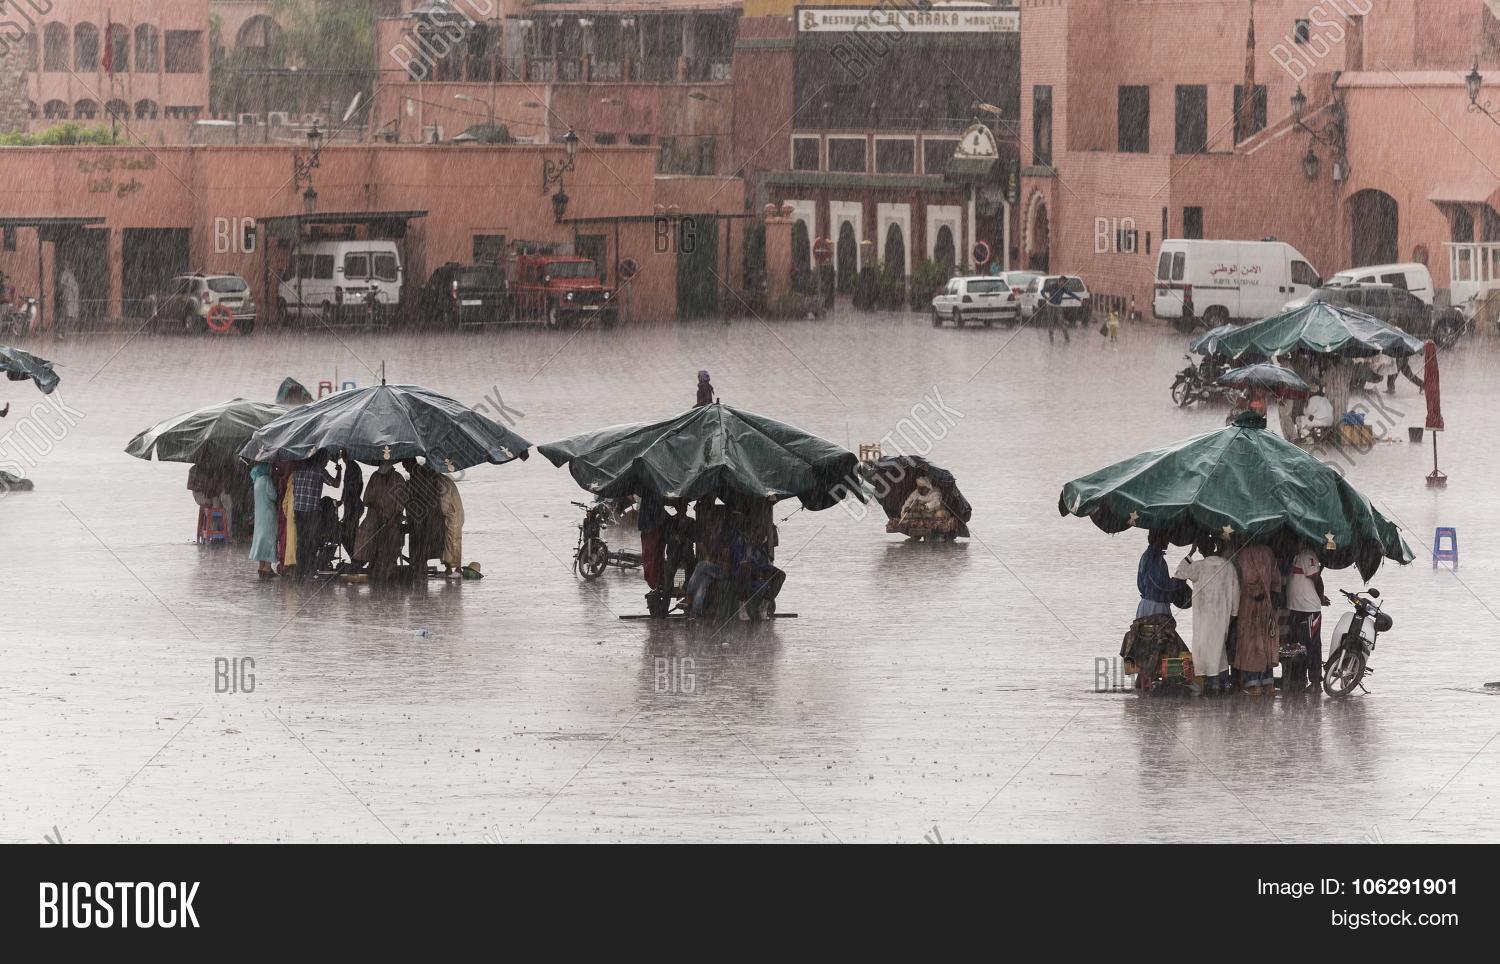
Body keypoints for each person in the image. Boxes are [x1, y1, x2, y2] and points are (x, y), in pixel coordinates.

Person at [1173, 536, 1239, 694]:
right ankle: (1222, 685)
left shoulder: (1199, 566)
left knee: (1205, 652)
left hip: (1203, 618)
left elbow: (1179, 574)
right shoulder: (1228, 566)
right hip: (1222, 618)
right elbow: (1236, 594)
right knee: (1219, 651)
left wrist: (1190, 553)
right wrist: (1233, 616)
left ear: (1201, 550)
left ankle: (1213, 686)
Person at [1233, 541, 1284, 695]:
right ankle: (1268, 683)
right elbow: (1276, 580)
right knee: (1267, 643)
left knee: (1251, 645)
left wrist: (1257, 592)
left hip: (1249, 605)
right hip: (1267, 604)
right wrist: (1271, 598)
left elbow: (1249, 578)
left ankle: (1253, 683)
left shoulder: (1244, 553)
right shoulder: (1268, 551)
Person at [1286, 541, 1330, 693]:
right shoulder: (1296, 556)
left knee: (1312, 645)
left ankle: (1315, 681)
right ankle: (1299, 679)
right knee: (1297, 646)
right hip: (1295, 608)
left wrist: (1321, 597)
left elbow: (1317, 579)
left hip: (1309, 609)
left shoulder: (1308, 555)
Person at [355, 462, 407, 584]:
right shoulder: (375, 476)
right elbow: (367, 498)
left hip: (393, 520)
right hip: (375, 518)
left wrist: (393, 517)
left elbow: (402, 501)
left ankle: (388, 566)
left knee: (390, 542)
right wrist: (376, 509)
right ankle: (369, 563)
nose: (383, 475)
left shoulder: (399, 478)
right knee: (366, 537)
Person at [291, 453, 341, 580]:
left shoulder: (298, 471)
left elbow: (294, 490)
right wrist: (339, 471)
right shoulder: (319, 471)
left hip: (298, 511)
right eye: (326, 460)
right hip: (312, 512)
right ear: (320, 459)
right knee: (312, 542)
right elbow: (336, 484)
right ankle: (309, 570)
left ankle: (299, 571)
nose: (327, 462)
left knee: (301, 541)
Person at [403, 458, 446, 579]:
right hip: (431, 517)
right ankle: (420, 567)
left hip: (420, 518)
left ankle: (419, 569)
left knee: (418, 545)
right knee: (424, 545)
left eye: (405, 465)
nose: (404, 468)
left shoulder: (415, 478)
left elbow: (412, 499)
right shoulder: (428, 475)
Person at [732, 526, 786, 620]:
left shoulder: (762, 543)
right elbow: (739, 558)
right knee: (746, 568)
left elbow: (764, 561)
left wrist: (762, 570)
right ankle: (742, 607)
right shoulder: (738, 538)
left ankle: (764, 605)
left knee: (781, 575)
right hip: (743, 568)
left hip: (760, 568)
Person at [1136, 530, 1175, 619]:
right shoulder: (1153, 558)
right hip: (1155, 606)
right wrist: (1177, 583)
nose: (1168, 541)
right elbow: (1159, 584)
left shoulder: (1151, 556)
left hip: (1149, 604)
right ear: (1158, 539)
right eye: (1166, 537)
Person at [248, 463, 278, 578]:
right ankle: (267, 568)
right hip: (268, 514)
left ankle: (261, 566)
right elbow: (273, 496)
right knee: (269, 539)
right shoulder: (267, 479)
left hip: (259, 515)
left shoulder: (257, 480)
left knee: (260, 539)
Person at [638, 490, 669, 603]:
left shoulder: (650, 494)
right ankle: (657, 583)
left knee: (653, 558)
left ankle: (657, 583)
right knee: (652, 558)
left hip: (653, 529)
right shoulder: (652, 495)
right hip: (652, 529)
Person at [434, 467, 465, 579]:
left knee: (454, 541)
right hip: (451, 515)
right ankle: (448, 569)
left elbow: (444, 504)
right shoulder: (442, 479)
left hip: (453, 515)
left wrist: (435, 514)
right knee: (446, 542)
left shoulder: (441, 482)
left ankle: (458, 569)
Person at [339, 452, 363, 566]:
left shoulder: (351, 467)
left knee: (348, 533)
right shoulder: (352, 466)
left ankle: (355, 558)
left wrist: (348, 503)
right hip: (352, 505)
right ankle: (355, 558)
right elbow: (350, 487)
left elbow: (349, 489)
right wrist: (342, 500)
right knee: (350, 533)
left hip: (352, 507)